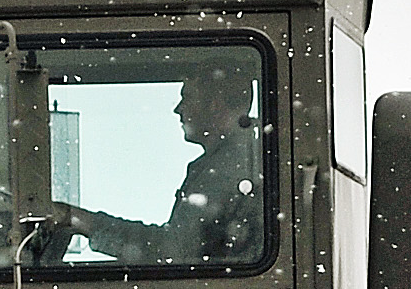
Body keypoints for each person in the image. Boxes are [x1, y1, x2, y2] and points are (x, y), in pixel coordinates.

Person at [38, 63, 261, 267]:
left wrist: (81, 221)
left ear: (214, 106)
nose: (178, 109)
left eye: (187, 98)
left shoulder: (229, 168)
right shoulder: (241, 160)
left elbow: (175, 251)